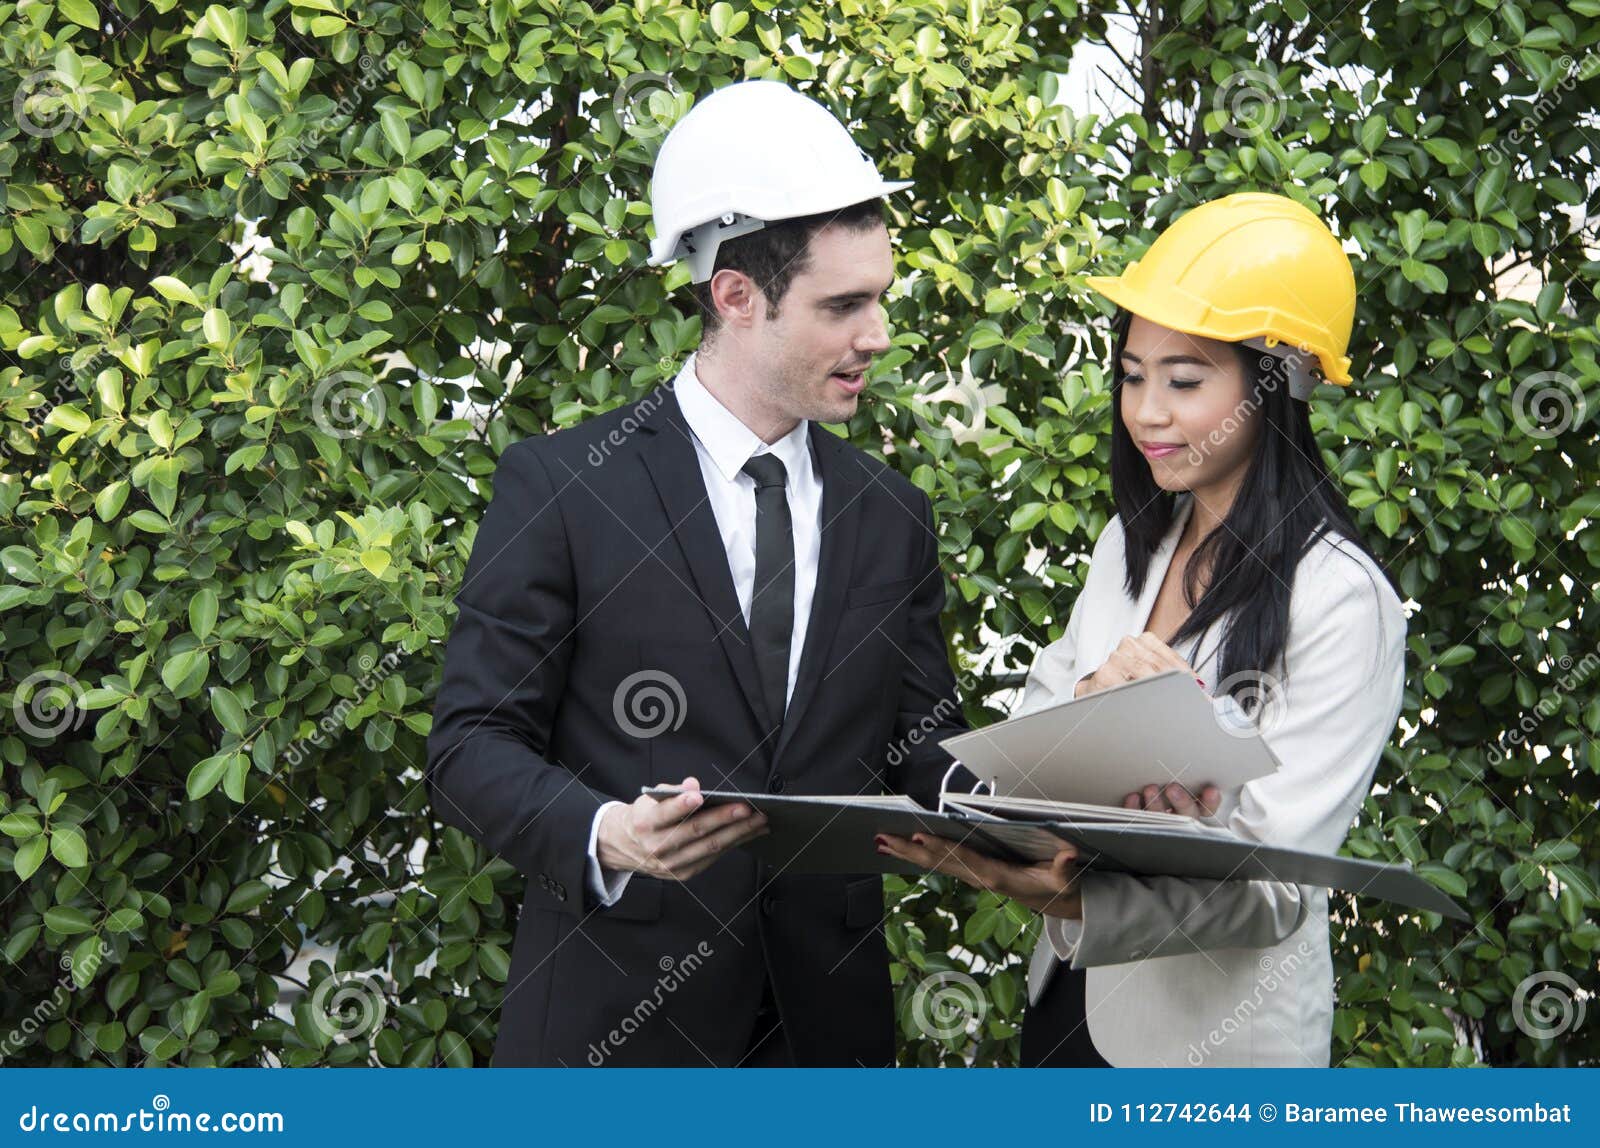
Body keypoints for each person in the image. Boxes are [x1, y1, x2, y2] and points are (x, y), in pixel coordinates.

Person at [426, 79, 978, 1067]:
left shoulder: (891, 515)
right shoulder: (563, 489)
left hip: (825, 1047)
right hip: (611, 1039)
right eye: (843, 306)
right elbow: (469, 746)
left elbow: (920, 751)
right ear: (734, 296)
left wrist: (1077, 785)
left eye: (879, 300)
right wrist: (604, 832)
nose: (877, 337)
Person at [880, 192, 1407, 1067]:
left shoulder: (1341, 600)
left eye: (1185, 379)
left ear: (1278, 383)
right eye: (1132, 374)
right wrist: (1094, 710)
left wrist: (1083, 895)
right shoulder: (1132, 543)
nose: (1146, 411)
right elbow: (1031, 738)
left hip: (1205, 1047)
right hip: (1066, 1007)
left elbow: (1275, 884)